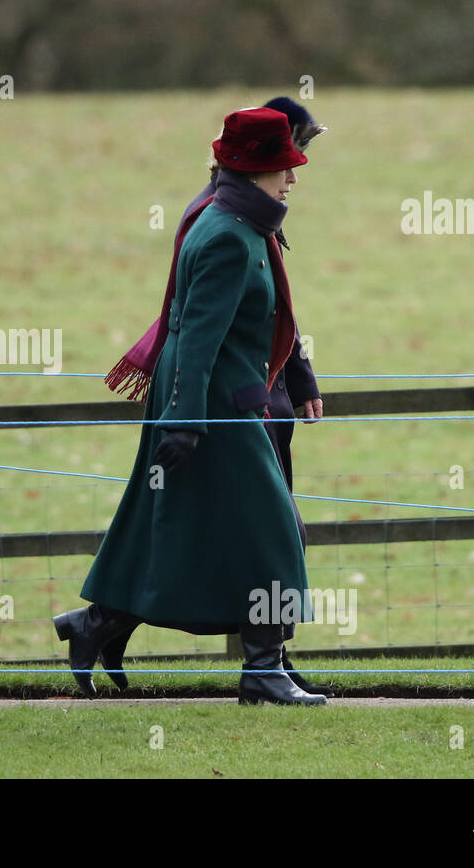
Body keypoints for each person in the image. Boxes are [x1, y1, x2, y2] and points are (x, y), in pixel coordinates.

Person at [57, 107, 325, 706]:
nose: (294, 179)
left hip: (221, 405)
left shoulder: (241, 222)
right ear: (255, 169)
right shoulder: (228, 234)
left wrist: (296, 378)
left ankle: (93, 627)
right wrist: (186, 421)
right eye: (285, 167)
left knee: (175, 529)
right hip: (216, 409)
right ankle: (262, 672)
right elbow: (196, 338)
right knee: (276, 534)